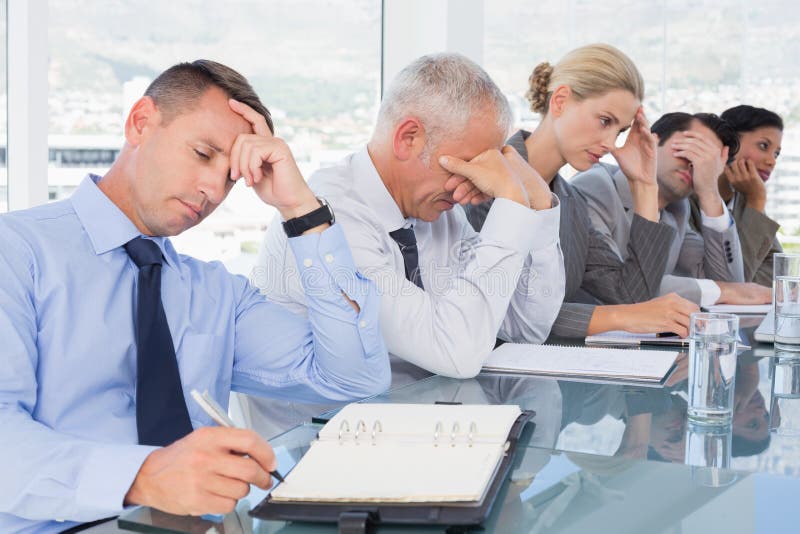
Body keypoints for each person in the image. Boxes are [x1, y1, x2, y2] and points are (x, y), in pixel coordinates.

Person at [0, 60, 390, 533]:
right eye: (203, 154)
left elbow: (355, 378)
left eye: (230, 178)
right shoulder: (15, 252)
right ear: (140, 122)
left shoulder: (217, 293)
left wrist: (299, 208)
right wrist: (144, 477)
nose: (213, 190)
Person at [254, 53, 565, 387]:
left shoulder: (440, 211)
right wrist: (511, 204)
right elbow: (456, 353)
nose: (475, 182)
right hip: (327, 419)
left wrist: (539, 205)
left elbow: (524, 327)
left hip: (412, 409)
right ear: (408, 138)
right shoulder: (326, 217)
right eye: (468, 164)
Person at [465, 43, 698, 338]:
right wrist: (619, 317)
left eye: (620, 131)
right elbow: (506, 311)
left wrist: (644, 185)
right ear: (560, 101)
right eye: (604, 121)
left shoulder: (573, 203)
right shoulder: (488, 178)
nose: (610, 143)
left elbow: (630, 295)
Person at [573, 111, 771, 307]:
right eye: (692, 149)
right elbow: (621, 286)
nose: (695, 164)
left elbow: (732, 287)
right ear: (651, 142)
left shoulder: (677, 210)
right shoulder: (596, 187)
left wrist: (710, 193)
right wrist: (724, 291)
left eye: (707, 162)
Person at [688, 105, 784, 286]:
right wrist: (756, 201)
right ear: (729, 142)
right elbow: (732, 284)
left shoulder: (744, 200)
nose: (771, 161)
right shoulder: (685, 200)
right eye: (763, 146)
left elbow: (778, 277)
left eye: (776, 154)